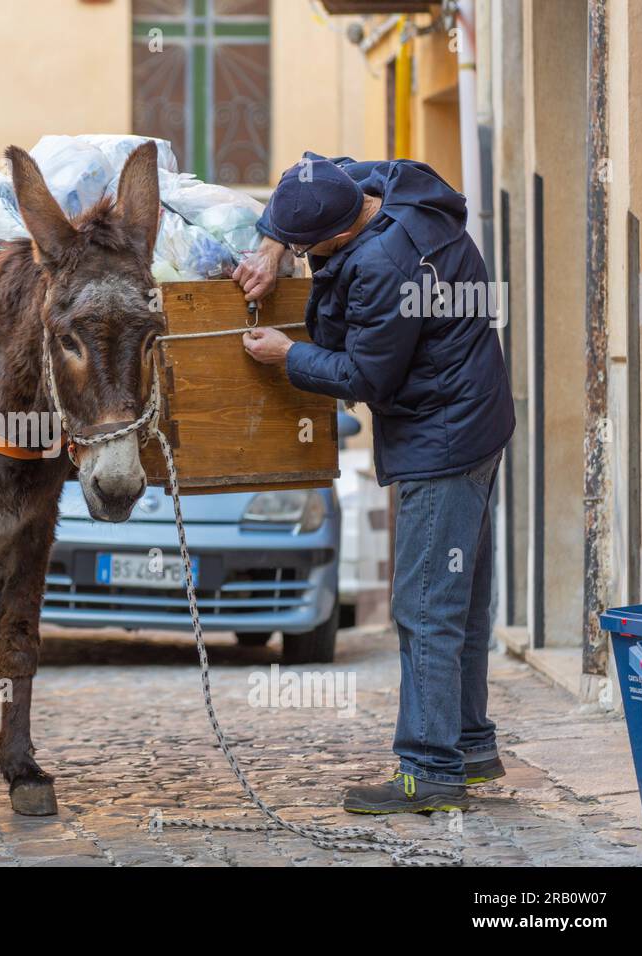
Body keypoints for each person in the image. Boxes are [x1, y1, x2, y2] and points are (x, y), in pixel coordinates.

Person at [235, 152, 515, 814]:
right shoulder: (396, 186)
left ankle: (430, 771)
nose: (302, 256)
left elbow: (365, 377)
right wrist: (275, 243)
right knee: (461, 601)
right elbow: (315, 169)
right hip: (478, 422)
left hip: (442, 442)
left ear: (335, 238)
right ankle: (469, 747)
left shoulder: (386, 266)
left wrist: (287, 355)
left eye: (308, 249)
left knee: (425, 607)